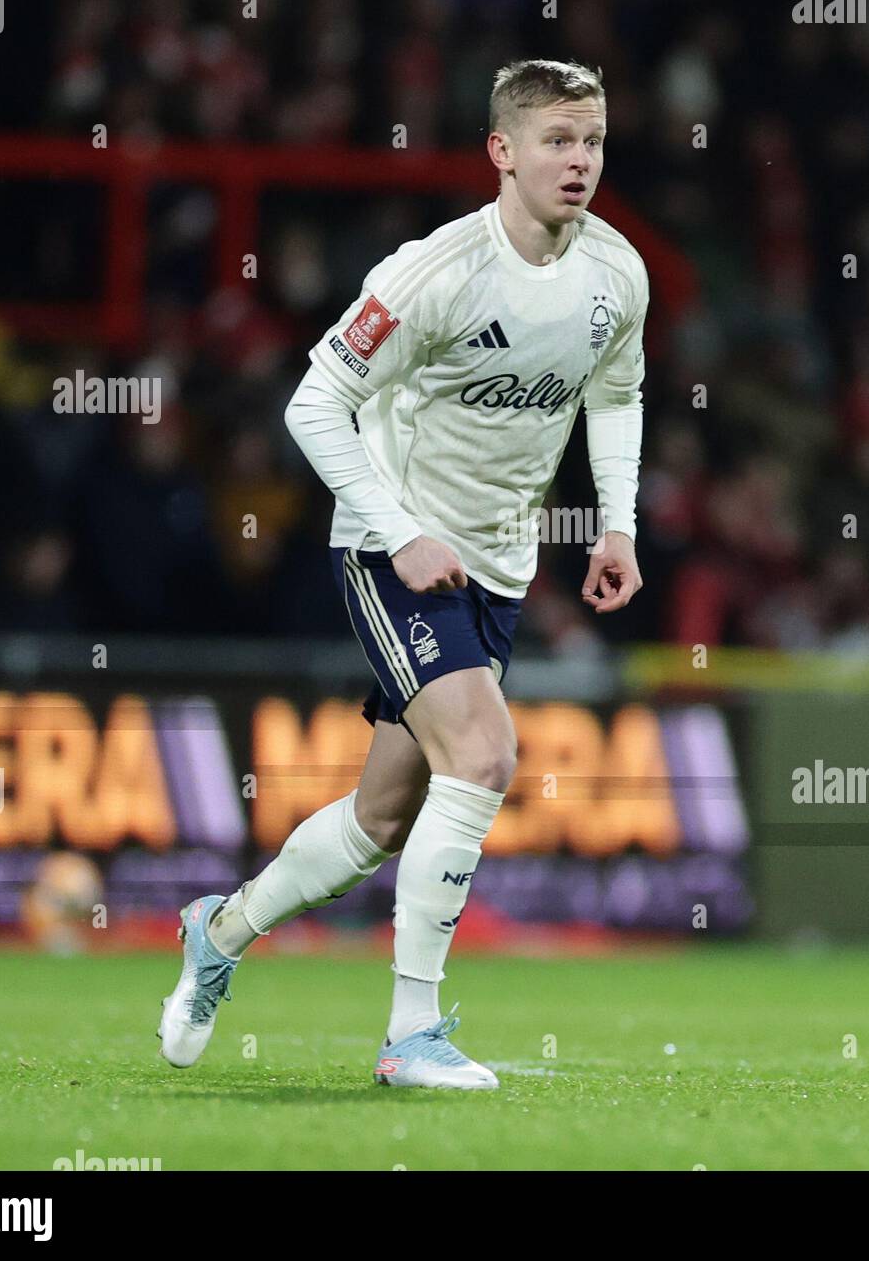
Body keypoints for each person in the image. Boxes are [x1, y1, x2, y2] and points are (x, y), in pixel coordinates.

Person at [158, 58, 648, 1088]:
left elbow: (616, 392)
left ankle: (220, 929)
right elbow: (310, 403)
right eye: (557, 141)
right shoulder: (431, 273)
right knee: (483, 756)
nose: (579, 161)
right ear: (501, 152)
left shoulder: (616, 274)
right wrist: (396, 530)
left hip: (501, 569)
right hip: (396, 554)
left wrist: (617, 525)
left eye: (593, 140)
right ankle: (411, 1036)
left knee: (383, 817)